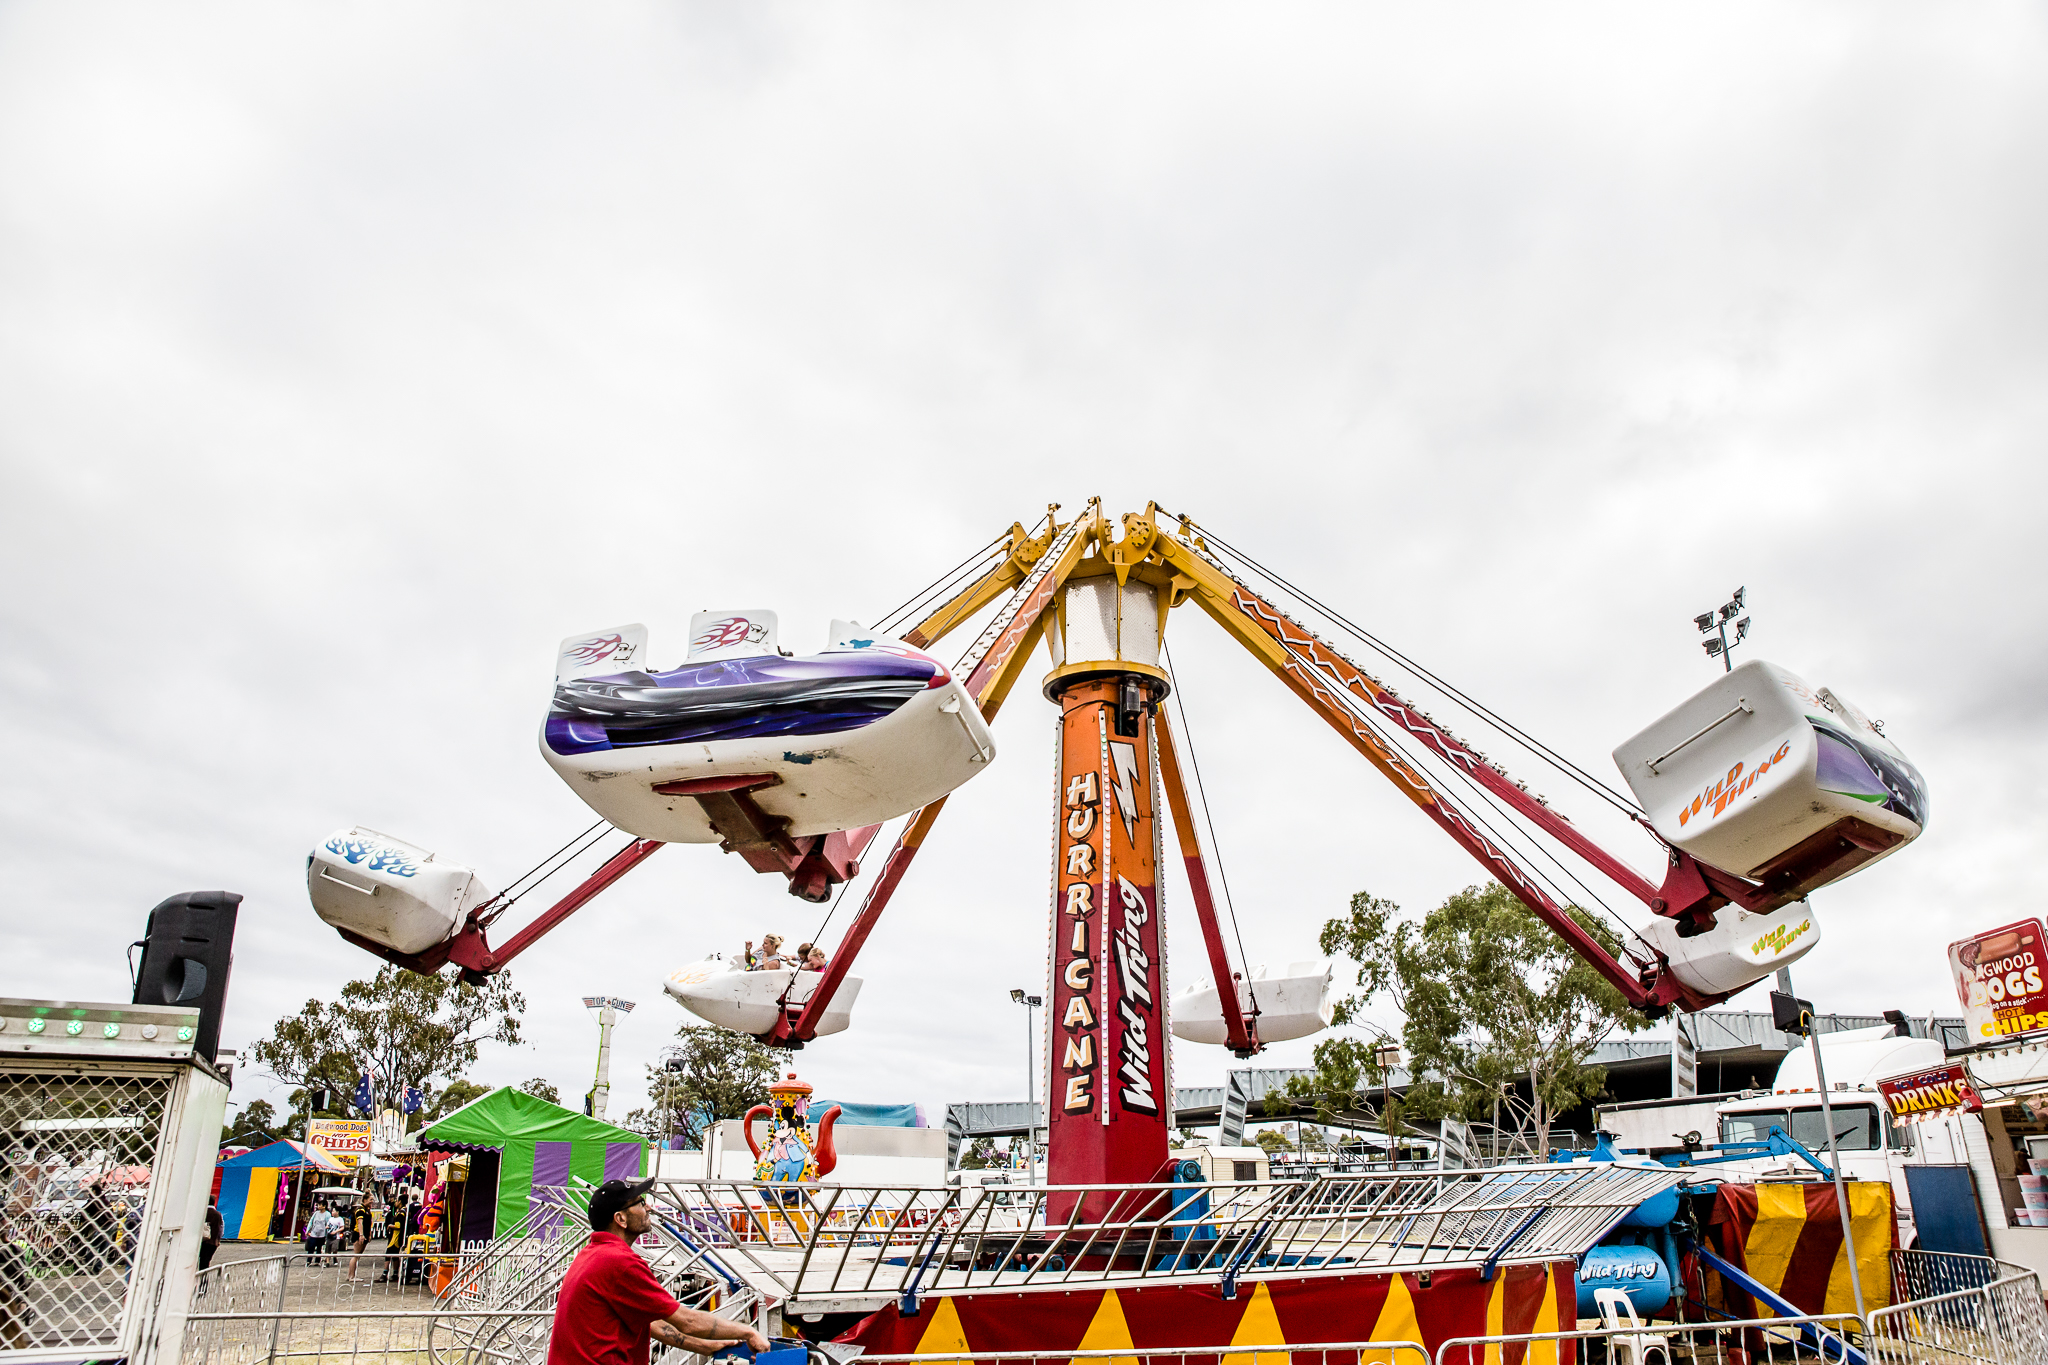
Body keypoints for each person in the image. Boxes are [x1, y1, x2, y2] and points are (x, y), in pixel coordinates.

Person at [546, 1178, 767, 1365]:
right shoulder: (620, 1262)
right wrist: (748, 1332)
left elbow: (651, 1322)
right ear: (620, 1219)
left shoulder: (592, 1254)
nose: (649, 1208)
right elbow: (687, 1320)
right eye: (640, 1203)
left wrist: (705, 1346)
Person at [346, 1199, 372, 1282]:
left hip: (364, 1234)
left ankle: (350, 1275)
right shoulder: (361, 1210)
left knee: (358, 1255)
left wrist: (369, 1234)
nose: (372, 1201)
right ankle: (351, 1276)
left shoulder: (367, 1210)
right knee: (356, 1255)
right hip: (359, 1234)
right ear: (365, 1200)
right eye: (370, 1199)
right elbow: (360, 1223)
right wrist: (361, 1235)